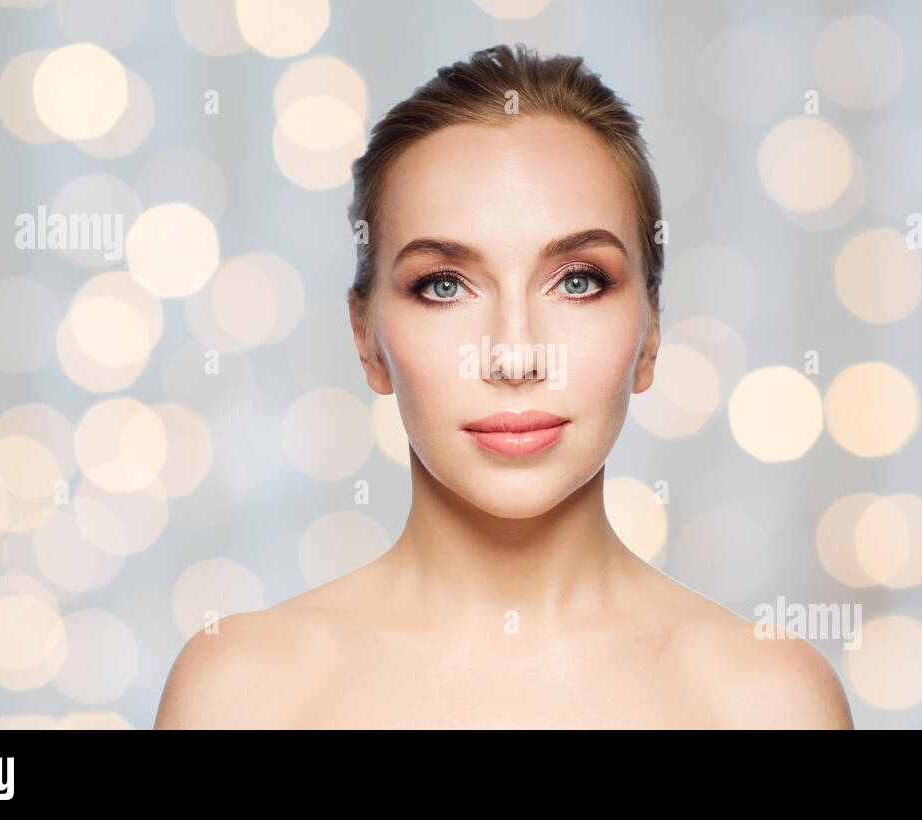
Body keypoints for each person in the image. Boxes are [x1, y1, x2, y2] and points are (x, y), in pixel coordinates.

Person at [155, 43, 853, 729]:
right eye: (444, 285)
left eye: (579, 281)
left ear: (652, 330)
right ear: (366, 336)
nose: (515, 356)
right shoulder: (243, 692)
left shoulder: (767, 700)